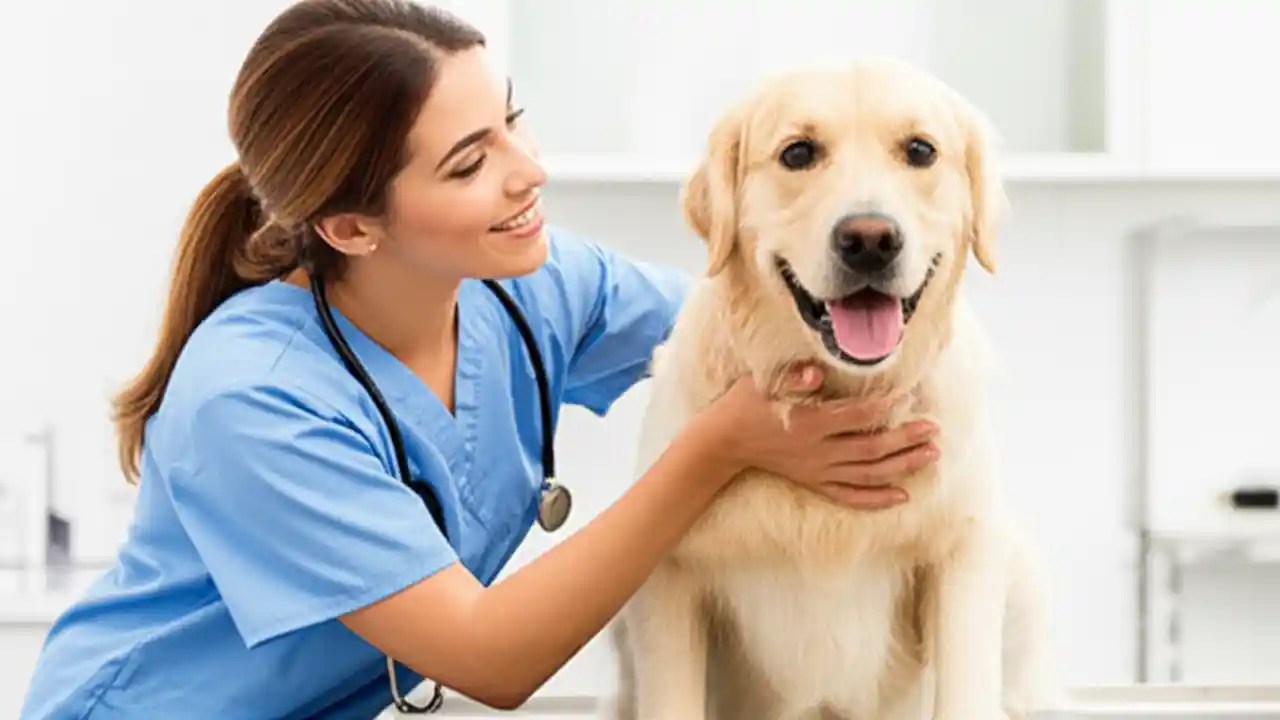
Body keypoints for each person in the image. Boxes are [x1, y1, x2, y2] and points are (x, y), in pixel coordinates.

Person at [19, 2, 941, 718]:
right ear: (351, 226)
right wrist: (714, 451)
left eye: (512, 122)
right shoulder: (253, 401)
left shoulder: (527, 289)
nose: (527, 170)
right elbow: (492, 658)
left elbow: (747, 333)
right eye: (469, 163)